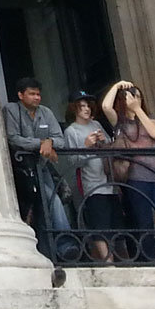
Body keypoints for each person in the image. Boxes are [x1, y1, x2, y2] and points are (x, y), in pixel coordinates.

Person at [104, 80, 155, 260]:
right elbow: (106, 106)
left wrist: (138, 109)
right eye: (132, 97)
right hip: (136, 178)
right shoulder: (120, 122)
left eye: (138, 96)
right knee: (144, 222)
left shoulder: (150, 118)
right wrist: (116, 86)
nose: (135, 100)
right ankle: (151, 260)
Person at [3, 77, 71, 249]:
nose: (36, 98)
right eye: (32, 94)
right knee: (46, 201)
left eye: (38, 94)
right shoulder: (11, 110)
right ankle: (65, 244)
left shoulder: (45, 112)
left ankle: (61, 246)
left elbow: (60, 140)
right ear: (20, 95)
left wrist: (50, 142)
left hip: (41, 166)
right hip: (21, 168)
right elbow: (13, 138)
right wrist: (42, 143)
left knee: (51, 201)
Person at [62, 94, 116, 262]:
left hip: (109, 181)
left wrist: (103, 140)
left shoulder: (97, 124)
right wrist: (85, 146)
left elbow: (110, 147)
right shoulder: (71, 131)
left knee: (114, 222)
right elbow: (72, 161)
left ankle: (122, 258)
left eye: (88, 106)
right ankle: (108, 262)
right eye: (82, 106)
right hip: (90, 184)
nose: (86, 109)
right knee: (98, 224)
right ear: (74, 108)